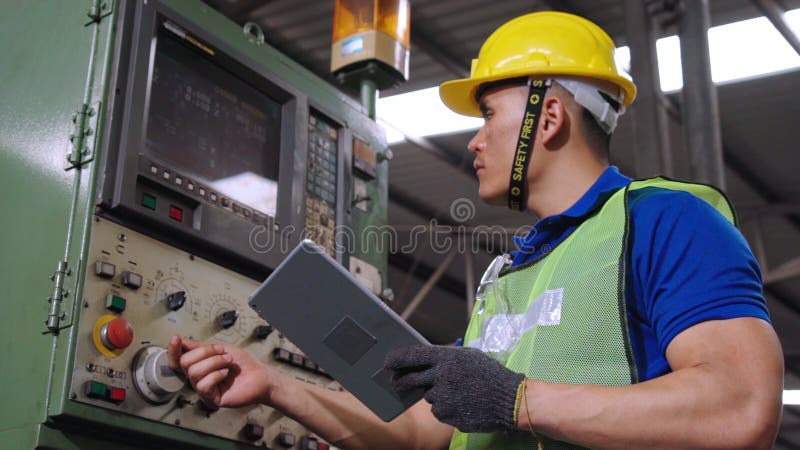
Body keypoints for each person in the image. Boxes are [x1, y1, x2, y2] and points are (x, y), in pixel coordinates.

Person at [168, 11, 784, 449]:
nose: (475, 138)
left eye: (489, 113)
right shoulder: (507, 275)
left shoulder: (664, 219)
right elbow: (423, 432)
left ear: (547, 118)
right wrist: (276, 386)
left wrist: (518, 400)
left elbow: (740, 408)